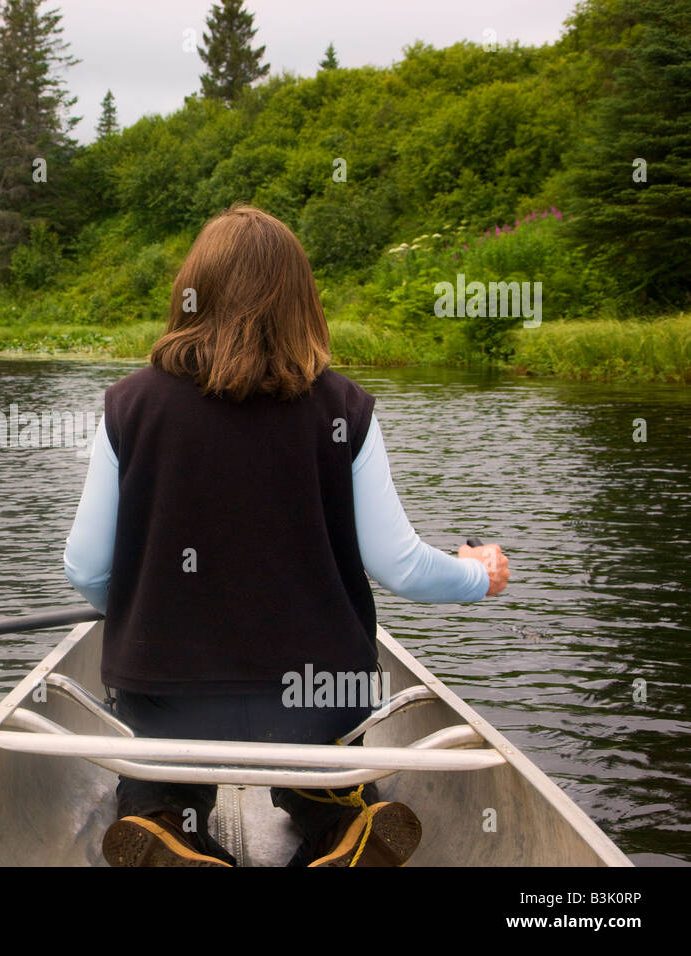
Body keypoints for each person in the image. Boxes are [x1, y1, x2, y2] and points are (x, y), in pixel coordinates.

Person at [63, 203, 509, 867]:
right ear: (302, 301)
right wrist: (479, 574)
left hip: (170, 694)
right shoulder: (345, 409)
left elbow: (85, 568)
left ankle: (165, 826)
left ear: (193, 292)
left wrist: (129, 600)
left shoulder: (129, 405)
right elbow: (400, 566)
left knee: (155, 771)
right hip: (316, 700)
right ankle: (341, 828)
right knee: (328, 773)